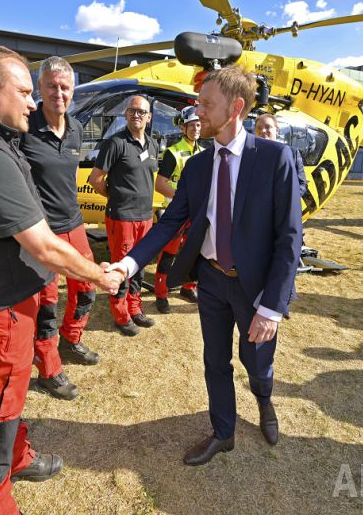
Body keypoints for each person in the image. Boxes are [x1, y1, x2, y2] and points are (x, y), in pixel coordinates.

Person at [0, 43, 122, 515]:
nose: (33, 103)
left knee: (7, 398)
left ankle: (17, 456)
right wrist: (101, 275)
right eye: (25, 91)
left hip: (5, 296)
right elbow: (44, 246)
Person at [108, 66, 302, 465]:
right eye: (198, 103)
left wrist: (271, 308)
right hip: (212, 280)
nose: (198, 111)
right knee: (215, 361)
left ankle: (264, 399)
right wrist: (128, 265)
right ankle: (223, 433)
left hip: (256, 288)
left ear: (236, 107)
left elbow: (289, 238)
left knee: (257, 363)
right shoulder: (198, 166)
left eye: (206, 104)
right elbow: (169, 224)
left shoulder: (275, 158)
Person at [20, 57, 100, 401]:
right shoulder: (24, 126)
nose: (59, 93)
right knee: (46, 305)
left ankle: (71, 339)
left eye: (65, 87)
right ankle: (48, 369)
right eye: (51, 86)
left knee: (87, 288)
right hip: (41, 232)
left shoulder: (76, 128)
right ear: (40, 88)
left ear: (73, 91)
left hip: (74, 224)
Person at [88, 95, 160, 336]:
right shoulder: (115, 142)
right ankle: (121, 315)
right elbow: (96, 179)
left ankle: (135, 308)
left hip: (145, 217)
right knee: (121, 267)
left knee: (139, 265)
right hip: (122, 217)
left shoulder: (152, 144)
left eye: (142, 112)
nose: (136, 115)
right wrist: (116, 196)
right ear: (126, 114)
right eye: (132, 110)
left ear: (149, 117)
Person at [153, 105, 202, 314]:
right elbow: (160, 185)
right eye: (191, 125)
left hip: (196, 214)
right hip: (175, 213)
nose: (196, 129)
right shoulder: (172, 153)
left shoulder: (203, 152)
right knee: (168, 256)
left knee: (193, 253)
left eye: (198, 125)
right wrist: (183, 197)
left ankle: (188, 287)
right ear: (183, 128)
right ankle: (161, 294)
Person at [254, 112, 308, 196]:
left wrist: (286, 199)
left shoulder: (293, 153)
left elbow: (302, 184)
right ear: (255, 132)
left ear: (277, 129)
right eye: (259, 128)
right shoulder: (250, 154)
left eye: (268, 127)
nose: (263, 131)